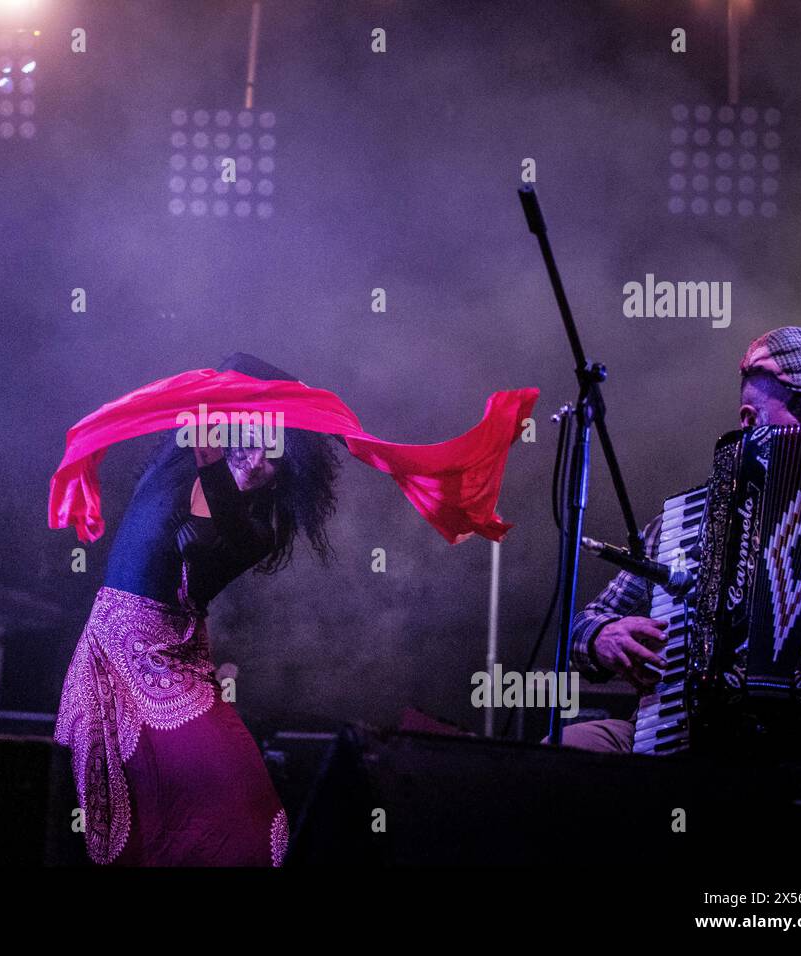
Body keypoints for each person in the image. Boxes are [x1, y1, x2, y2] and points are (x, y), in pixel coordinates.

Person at [51, 352, 536, 865]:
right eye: (252, 442)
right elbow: (230, 368)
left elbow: (229, 530)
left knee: (243, 801)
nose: (258, 460)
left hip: (176, 665)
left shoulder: (261, 528)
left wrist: (217, 463)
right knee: (103, 813)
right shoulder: (177, 461)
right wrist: (256, 391)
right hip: (109, 652)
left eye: (274, 455)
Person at [564, 326, 801, 753]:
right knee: (561, 751)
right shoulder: (686, 523)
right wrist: (603, 637)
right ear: (750, 419)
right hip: (682, 735)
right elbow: (578, 628)